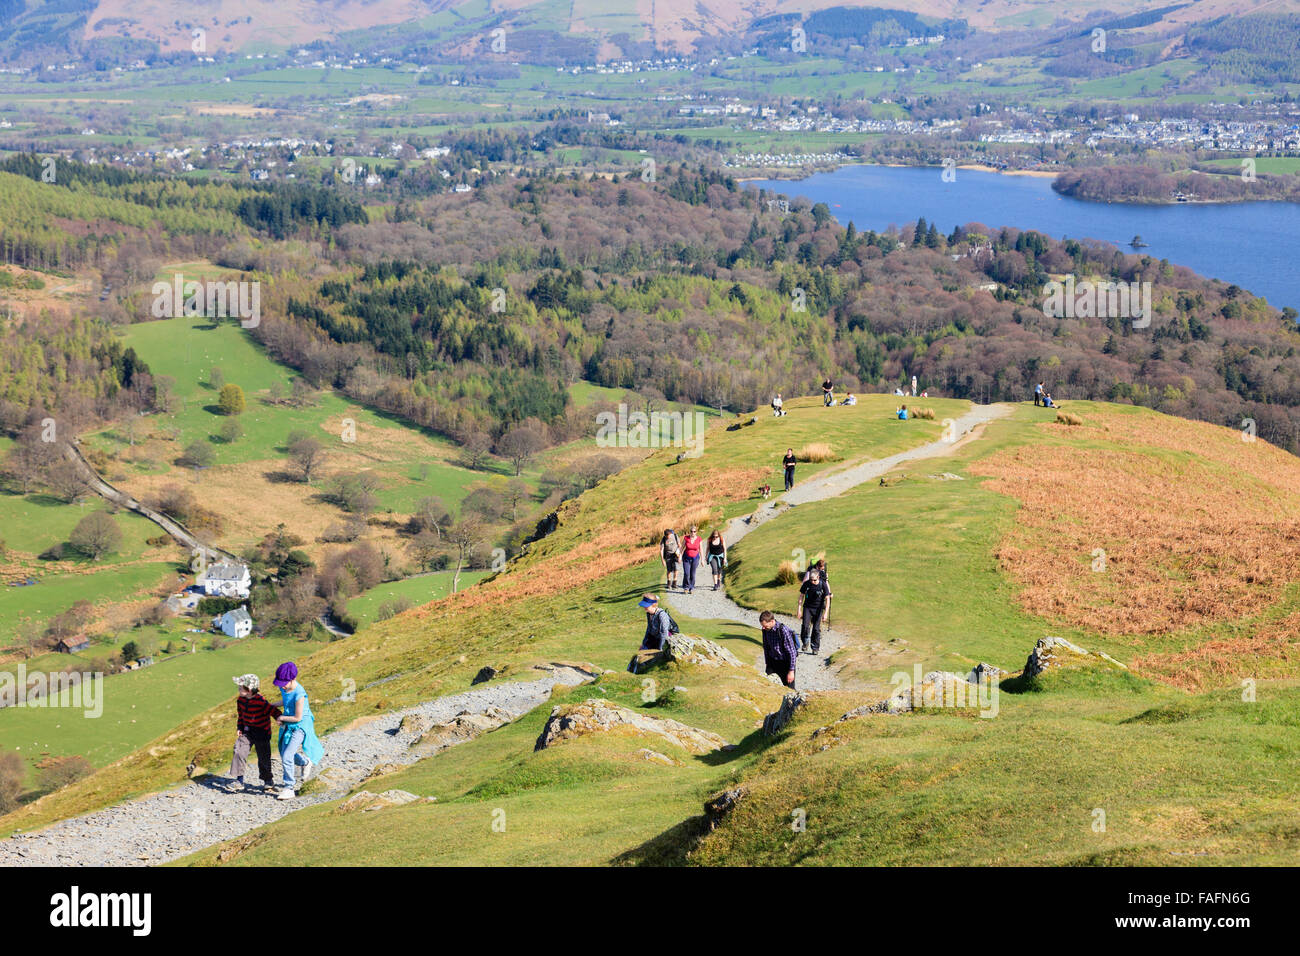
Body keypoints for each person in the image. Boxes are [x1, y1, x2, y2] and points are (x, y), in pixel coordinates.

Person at [272, 662, 324, 802]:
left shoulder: (300, 694)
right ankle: (304, 762)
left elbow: (298, 717)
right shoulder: (285, 688)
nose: (281, 686)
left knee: (287, 755)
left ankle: (289, 788)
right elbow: (286, 701)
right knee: (284, 753)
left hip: (300, 725)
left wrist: (281, 717)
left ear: (292, 679)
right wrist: (271, 705)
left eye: (284, 683)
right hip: (289, 723)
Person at [227, 673, 280, 793]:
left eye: (240, 687)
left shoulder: (261, 701)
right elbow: (241, 715)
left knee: (263, 758)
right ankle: (239, 781)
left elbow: (273, 711)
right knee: (239, 751)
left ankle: (268, 781)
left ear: (249, 690)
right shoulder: (240, 700)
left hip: (262, 733)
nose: (238, 689)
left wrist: (279, 718)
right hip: (247, 731)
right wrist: (239, 727)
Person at [629, 593, 677, 672]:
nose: (644, 608)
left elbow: (663, 633)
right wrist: (644, 643)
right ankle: (636, 671)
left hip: (663, 639)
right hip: (653, 637)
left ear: (653, 605)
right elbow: (649, 629)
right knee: (641, 653)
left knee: (656, 657)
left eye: (646, 606)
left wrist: (661, 649)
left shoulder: (662, 615)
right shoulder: (649, 613)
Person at [759, 610, 799, 688]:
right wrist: (767, 664)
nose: (763, 628)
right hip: (772, 661)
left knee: (788, 688)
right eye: (762, 626)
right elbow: (766, 647)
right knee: (768, 685)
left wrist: (791, 671)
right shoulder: (765, 630)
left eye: (765, 626)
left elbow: (792, 652)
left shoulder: (783, 630)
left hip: (785, 663)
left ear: (772, 621)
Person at [797, 567, 831, 655]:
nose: (812, 582)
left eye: (814, 580)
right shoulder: (806, 584)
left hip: (818, 609)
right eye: (811, 580)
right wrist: (799, 609)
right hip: (808, 608)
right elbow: (801, 596)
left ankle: (815, 647)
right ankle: (805, 642)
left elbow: (827, 599)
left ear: (818, 577)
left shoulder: (823, 584)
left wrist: (825, 613)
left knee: (816, 629)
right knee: (805, 626)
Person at [680, 526, 703, 594]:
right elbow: (682, 547)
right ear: (689, 532)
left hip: (695, 558)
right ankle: (686, 587)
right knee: (687, 573)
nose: (693, 533)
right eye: (691, 531)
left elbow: (701, 549)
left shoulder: (699, 539)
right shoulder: (686, 538)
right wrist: (679, 556)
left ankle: (691, 587)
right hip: (686, 558)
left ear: (696, 532)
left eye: (694, 531)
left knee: (692, 574)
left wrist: (702, 560)